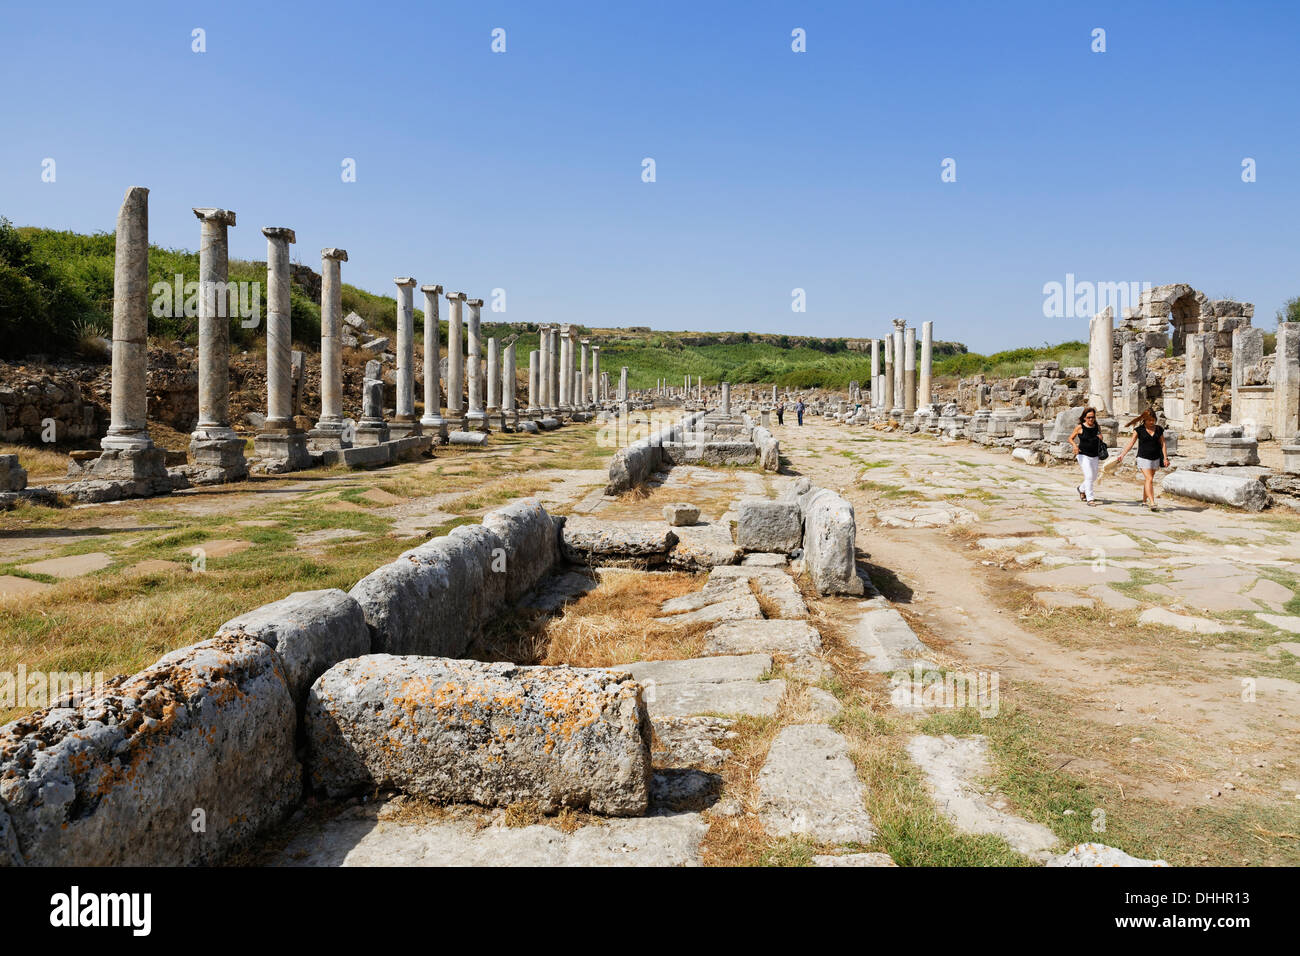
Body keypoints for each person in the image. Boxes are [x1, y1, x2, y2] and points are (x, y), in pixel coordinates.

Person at [1115, 408, 1169, 511]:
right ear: (1144, 420)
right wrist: (1122, 455)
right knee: (1149, 479)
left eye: (1153, 420)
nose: (1152, 422)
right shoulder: (1138, 430)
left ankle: (1144, 501)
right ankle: (1152, 503)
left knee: (1149, 480)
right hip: (1143, 457)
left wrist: (1165, 458)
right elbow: (1131, 443)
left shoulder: (1158, 429)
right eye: (1150, 420)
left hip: (1155, 458)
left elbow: (1163, 444)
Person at [1068, 406, 1103, 505]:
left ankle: (1081, 488)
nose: (1091, 419)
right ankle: (1090, 499)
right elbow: (1070, 438)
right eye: (1089, 417)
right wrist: (1075, 445)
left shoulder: (1097, 426)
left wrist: (1101, 437)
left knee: (1094, 477)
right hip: (1083, 455)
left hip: (1095, 455)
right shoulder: (1080, 427)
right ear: (1084, 418)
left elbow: (1100, 437)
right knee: (1088, 476)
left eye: (1092, 417)